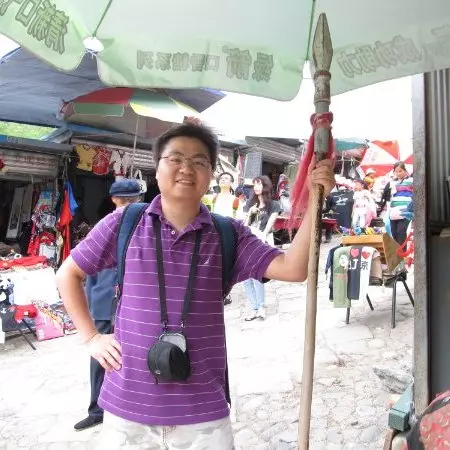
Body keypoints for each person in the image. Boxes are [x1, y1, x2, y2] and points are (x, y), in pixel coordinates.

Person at [56, 122, 334, 450]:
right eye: (175, 158)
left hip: (203, 412)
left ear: (211, 175)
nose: (187, 168)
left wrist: (318, 200)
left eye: (200, 162)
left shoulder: (229, 234)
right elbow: (68, 274)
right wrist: (91, 337)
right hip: (128, 408)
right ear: (156, 169)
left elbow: (293, 268)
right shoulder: (125, 223)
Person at [74, 179, 142, 432]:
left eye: (132, 200)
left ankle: (127, 407)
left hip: (133, 303)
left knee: (136, 355)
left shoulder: (146, 225)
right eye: (125, 200)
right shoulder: (103, 227)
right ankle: (97, 409)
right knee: (102, 356)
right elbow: (82, 270)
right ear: (114, 200)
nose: (128, 205)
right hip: (105, 300)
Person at [243, 175, 281, 320]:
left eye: (259, 184)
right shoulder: (250, 204)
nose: (256, 187)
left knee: (257, 275)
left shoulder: (274, 205)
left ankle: (261, 307)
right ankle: (254, 307)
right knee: (246, 278)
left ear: (265, 185)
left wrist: (262, 237)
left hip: (262, 243)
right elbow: (245, 226)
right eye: (254, 185)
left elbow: (269, 225)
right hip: (248, 242)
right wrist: (251, 213)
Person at [389, 162, 413, 245]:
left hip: (405, 210)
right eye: (396, 171)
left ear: (405, 171)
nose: (398, 173)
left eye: (400, 171)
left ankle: (402, 254)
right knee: (394, 233)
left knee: (401, 232)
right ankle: (398, 254)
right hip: (393, 211)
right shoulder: (392, 182)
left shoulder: (411, 181)